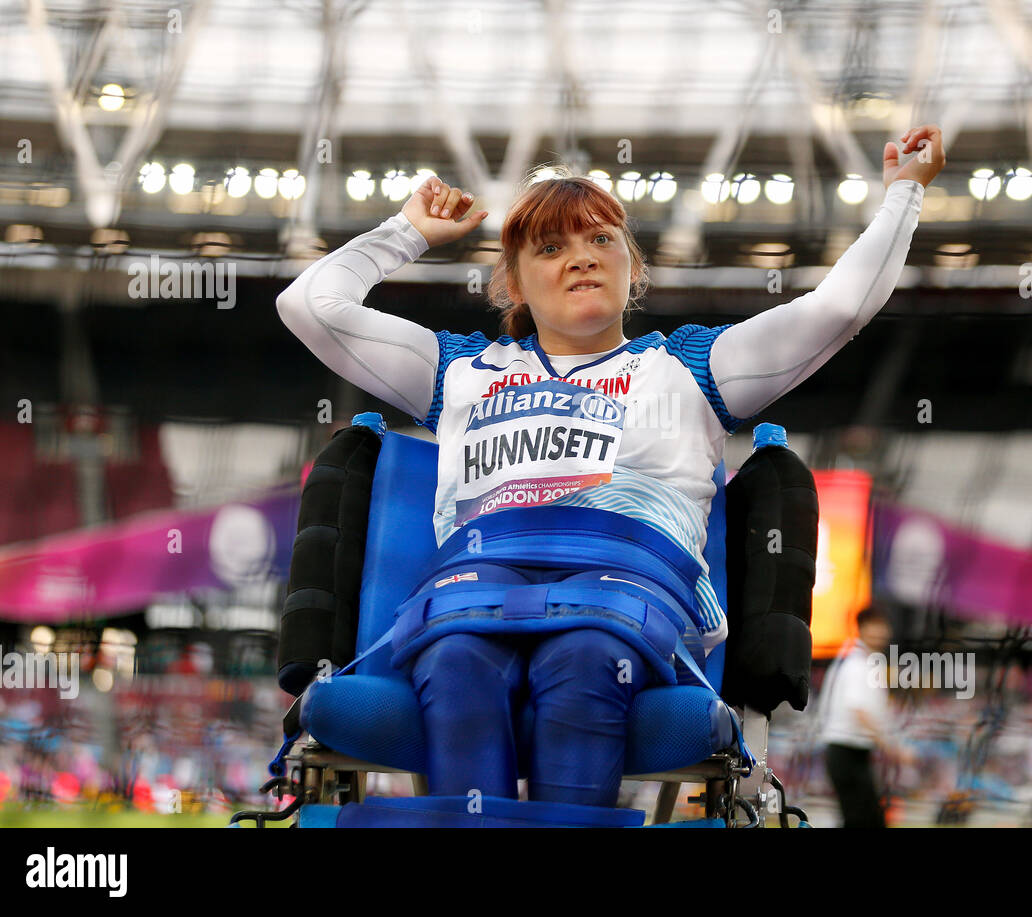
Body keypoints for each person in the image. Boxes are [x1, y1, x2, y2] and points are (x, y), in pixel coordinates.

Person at [276, 127, 943, 809]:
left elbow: (839, 307)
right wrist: (406, 231)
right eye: (551, 246)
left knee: (588, 652)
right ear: (513, 281)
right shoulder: (460, 372)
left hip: (625, 608)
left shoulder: (691, 368)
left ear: (633, 265)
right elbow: (307, 306)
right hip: (472, 604)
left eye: (602, 240)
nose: (581, 259)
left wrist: (905, 193)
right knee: (456, 660)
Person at [816, 606, 903, 827]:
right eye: (876, 627)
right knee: (864, 819)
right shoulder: (857, 664)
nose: (881, 633)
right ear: (862, 629)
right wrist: (889, 744)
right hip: (846, 751)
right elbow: (858, 709)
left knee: (862, 817)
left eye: (884, 628)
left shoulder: (865, 661)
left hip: (853, 752)